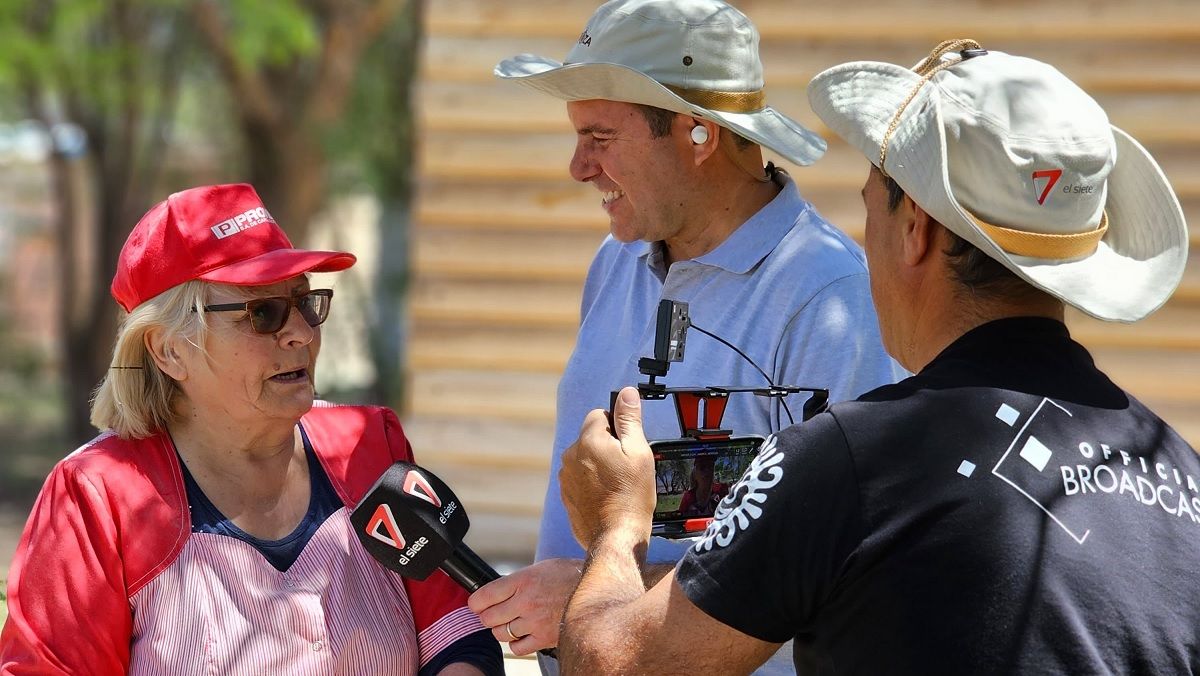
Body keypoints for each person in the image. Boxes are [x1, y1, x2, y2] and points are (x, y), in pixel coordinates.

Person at [556, 40, 1199, 674]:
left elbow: (616, 664)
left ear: (914, 228)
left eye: (868, 207)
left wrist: (618, 525)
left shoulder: (851, 462)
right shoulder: (1179, 476)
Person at [470, 1, 903, 668]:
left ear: (698, 134)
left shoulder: (828, 297)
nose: (578, 168)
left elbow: (842, 566)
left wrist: (598, 599)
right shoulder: (618, 260)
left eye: (601, 139)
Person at [0, 184, 502, 675]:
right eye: (262, 313)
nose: (302, 334)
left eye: (305, 303)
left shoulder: (366, 445)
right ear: (169, 350)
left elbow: (456, 630)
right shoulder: (98, 496)